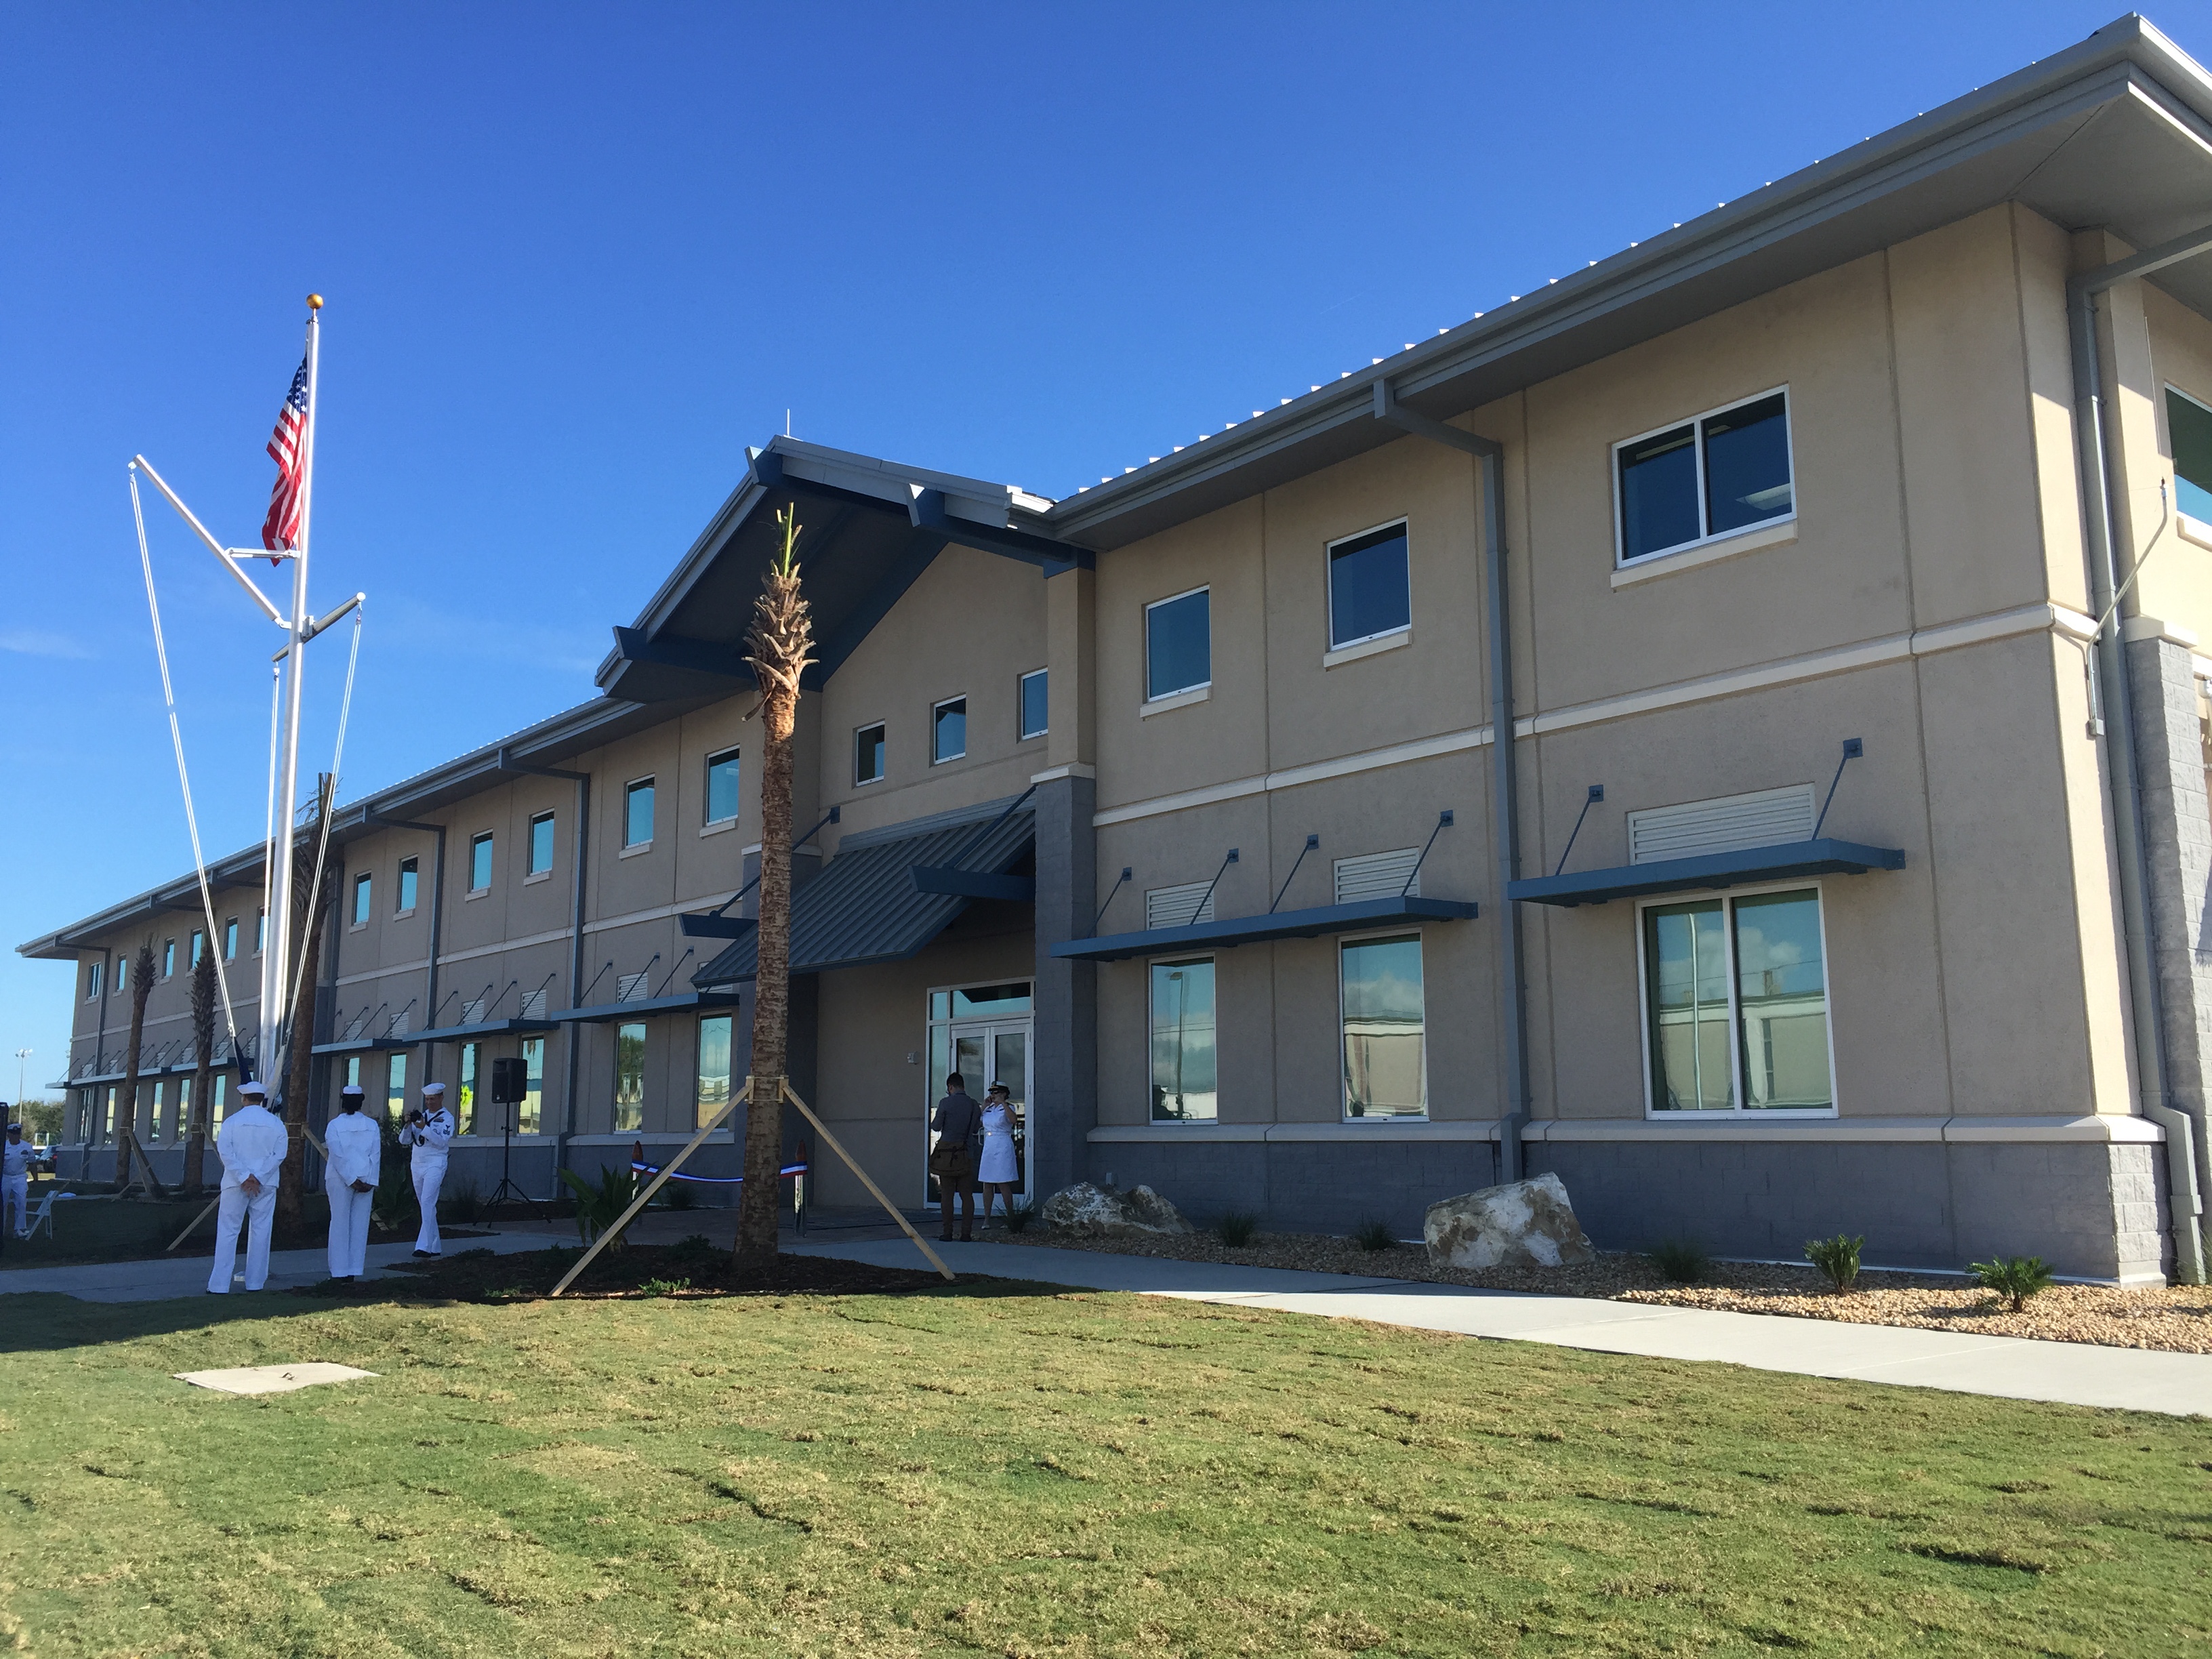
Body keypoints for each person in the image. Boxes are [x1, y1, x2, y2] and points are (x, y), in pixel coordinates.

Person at [206, 1079, 286, 1294]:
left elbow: (226, 1153)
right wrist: (258, 1176)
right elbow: (279, 1154)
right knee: (261, 1231)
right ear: (262, 1100)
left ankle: (219, 1285)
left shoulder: (231, 1122)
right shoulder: (276, 1123)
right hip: (266, 1184)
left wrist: (244, 1176)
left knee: (228, 1232)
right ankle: (255, 1282)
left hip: (235, 1183)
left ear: (244, 1098)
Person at [323, 1083, 380, 1280]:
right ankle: (355, 1270)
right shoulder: (371, 1125)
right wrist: (370, 1180)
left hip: (340, 1179)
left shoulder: (334, 1125)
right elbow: (376, 1155)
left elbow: (337, 1154)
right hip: (366, 1178)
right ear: (361, 1102)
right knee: (360, 1225)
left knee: (339, 1223)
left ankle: (339, 1271)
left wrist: (350, 1179)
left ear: (343, 1102)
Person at [399, 1080, 455, 1258]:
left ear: (441, 1098)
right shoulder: (420, 1117)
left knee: (428, 1202)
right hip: (417, 1163)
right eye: (427, 1099)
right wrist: (408, 1124)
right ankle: (435, 1245)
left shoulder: (447, 1118)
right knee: (425, 1205)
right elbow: (404, 1141)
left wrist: (425, 1128)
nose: (429, 1103)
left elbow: (441, 1142)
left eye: (432, 1099)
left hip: (435, 1163)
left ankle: (423, 1247)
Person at [929, 1071, 983, 1242]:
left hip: (947, 1155)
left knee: (947, 1194)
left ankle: (947, 1233)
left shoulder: (945, 1103)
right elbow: (975, 1129)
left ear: (950, 1087)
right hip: (967, 1154)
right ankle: (966, 1234)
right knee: (967, 1195)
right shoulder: (973, 1104)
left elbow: (936, 1127)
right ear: (964, 1087)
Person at [976, 1083, 1019, 1227]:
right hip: (989, 1145)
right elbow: (977, 1123)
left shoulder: (1009, 1107)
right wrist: (984, 1106)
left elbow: (1013, 1120)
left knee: (1003, 1182)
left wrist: (1003, 1104)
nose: (994, 1095)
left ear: (1004, 1094)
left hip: (1002, 1143)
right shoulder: (988, 1110)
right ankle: (986, 1219)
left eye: (997, 1092)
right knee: (987, 1183)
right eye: (992, 1093)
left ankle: (1010, 1217)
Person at [2, 1118, 30, 1240]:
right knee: (2, 1204)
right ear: (8, 1134)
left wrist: (36, 1179)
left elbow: (33, 1163)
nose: (15, 1136)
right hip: (5, 1177)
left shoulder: (27, 1146)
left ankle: (19, 1229)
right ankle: (1, 1229)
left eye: (17, 1134)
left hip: (20, 1177)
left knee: (21, 1202)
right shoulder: (3, 1146)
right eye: (13, 1134)